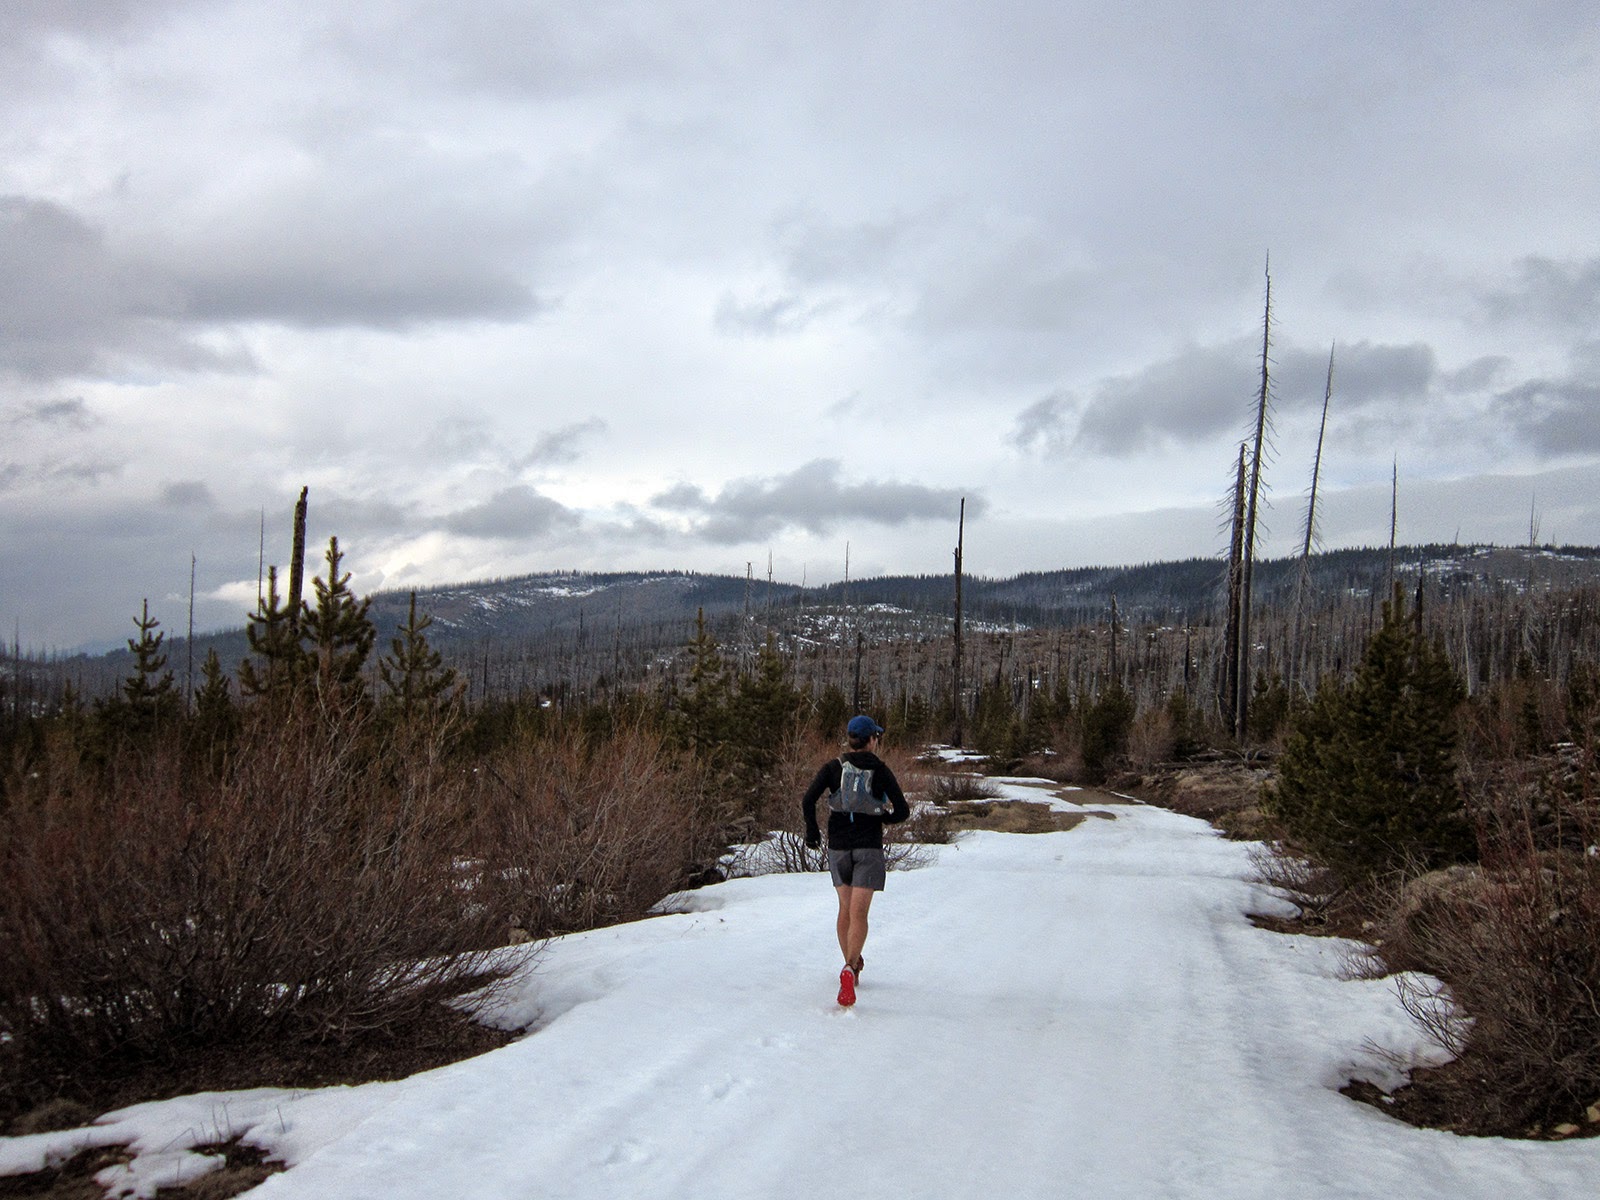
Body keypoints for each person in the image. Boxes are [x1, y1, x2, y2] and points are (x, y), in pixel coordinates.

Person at [802, 714, 910, 1006]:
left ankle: (851, 968)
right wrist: (883, 818)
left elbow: (808, 799)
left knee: (845, 909)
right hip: (868, 847)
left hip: (838, 846)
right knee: (860, 913)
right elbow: (902, 810)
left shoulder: (833, 767)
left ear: (849, 739)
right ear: (872, 740)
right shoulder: (881, 770)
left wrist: (813, 833)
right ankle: (850, 966)